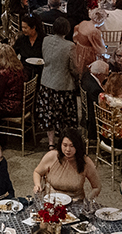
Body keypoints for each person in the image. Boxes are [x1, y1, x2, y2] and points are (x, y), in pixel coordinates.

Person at [36, 16, 78, 147]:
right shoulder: (70, 46)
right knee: (63, 115)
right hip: (62, 84)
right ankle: (64, 141)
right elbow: (73, 67)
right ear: (67, 30)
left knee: (49, 114)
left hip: (46, 81)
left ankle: (50, 142)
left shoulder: (45, 40)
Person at [32, 127, 102, 201]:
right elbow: (37, 172)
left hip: (75, 202)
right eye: (65, 145)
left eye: (72, 146)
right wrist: (37, 185)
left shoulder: (85, 162)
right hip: (52, 201)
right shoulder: (52, 156)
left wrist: (87, 201)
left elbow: (97, 187)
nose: (68, 150)